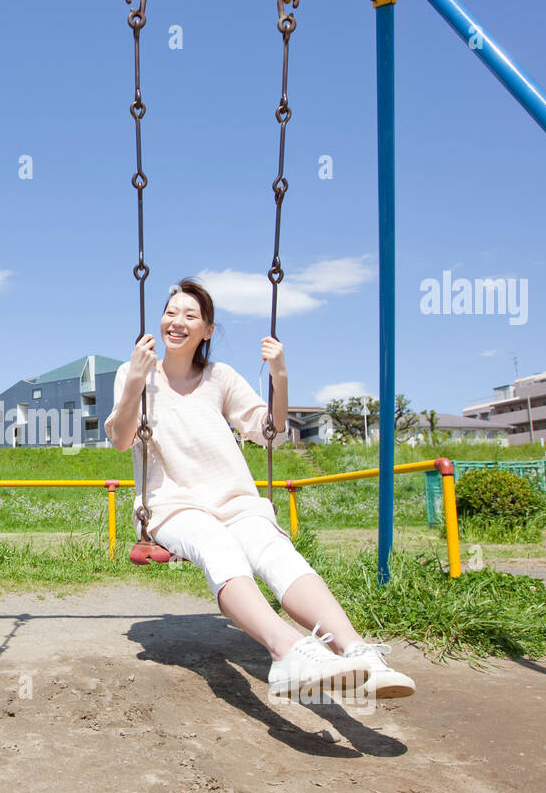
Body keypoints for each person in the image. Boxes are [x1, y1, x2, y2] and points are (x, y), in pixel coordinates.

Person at [104, 277, 415, 702]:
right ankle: (289, 652)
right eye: (171, 312)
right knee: (220, 548)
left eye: (190, 316)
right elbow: (121, 438)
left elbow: (269, 431)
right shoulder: (134, 372)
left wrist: (280, 374)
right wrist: (136, 381)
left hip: (235, 500)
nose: (177, 322)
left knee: (276, 552)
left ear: (207, 330)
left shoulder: (221, 378)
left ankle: (356, 651)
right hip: (174, 506)